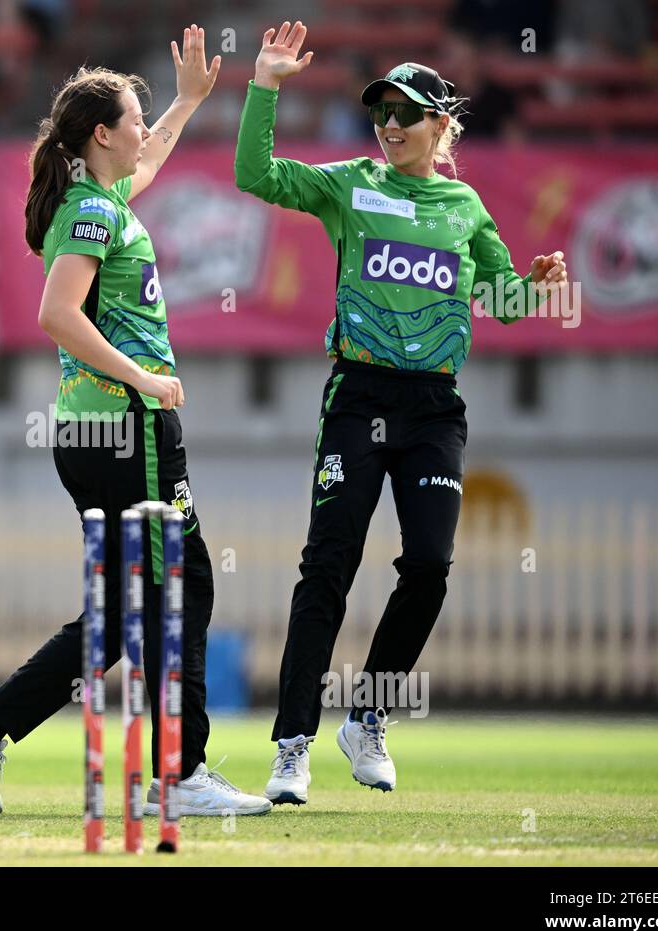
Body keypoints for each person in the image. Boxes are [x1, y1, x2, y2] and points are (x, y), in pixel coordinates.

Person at [0, 26, 271, 818]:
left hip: (96, 435)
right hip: (126, 430)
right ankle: (178, 777)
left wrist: (189, 100)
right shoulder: (91, 211)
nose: (142, 130)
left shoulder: (101, 195)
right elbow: (57, 312)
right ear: (100, 134)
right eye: (134, 116)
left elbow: (149, 159)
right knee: (180, 589)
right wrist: (144, 379)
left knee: (131, 610)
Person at [233, 21, 568, 804]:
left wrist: (536, 286)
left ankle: (368, 720)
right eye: (382, 114)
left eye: (406, 115)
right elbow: (256, 174)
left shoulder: (464, 205)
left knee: (427, 568)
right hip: (358, 396)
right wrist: (266, 86)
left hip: (432, 410)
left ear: (440, 126)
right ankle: (291, 747)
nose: (389, 127)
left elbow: (500, 300)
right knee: (329, 568)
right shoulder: (351, 183)